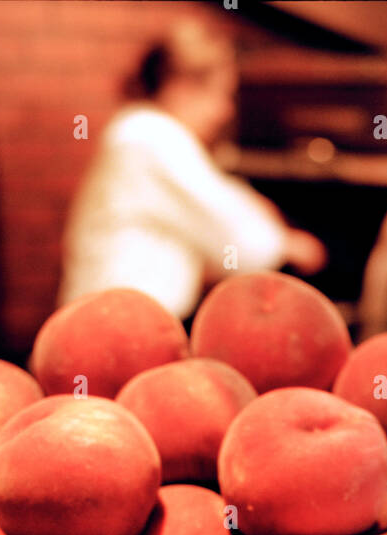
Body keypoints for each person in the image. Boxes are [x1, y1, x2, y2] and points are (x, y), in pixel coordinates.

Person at [58, 18, 326, 320]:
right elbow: (240, 240)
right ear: (181, 86)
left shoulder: (141, 133)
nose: (226, 110)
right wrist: (285, 244)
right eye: (221, 94)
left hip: (121, 322)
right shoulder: (150, 136)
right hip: (116, 328)